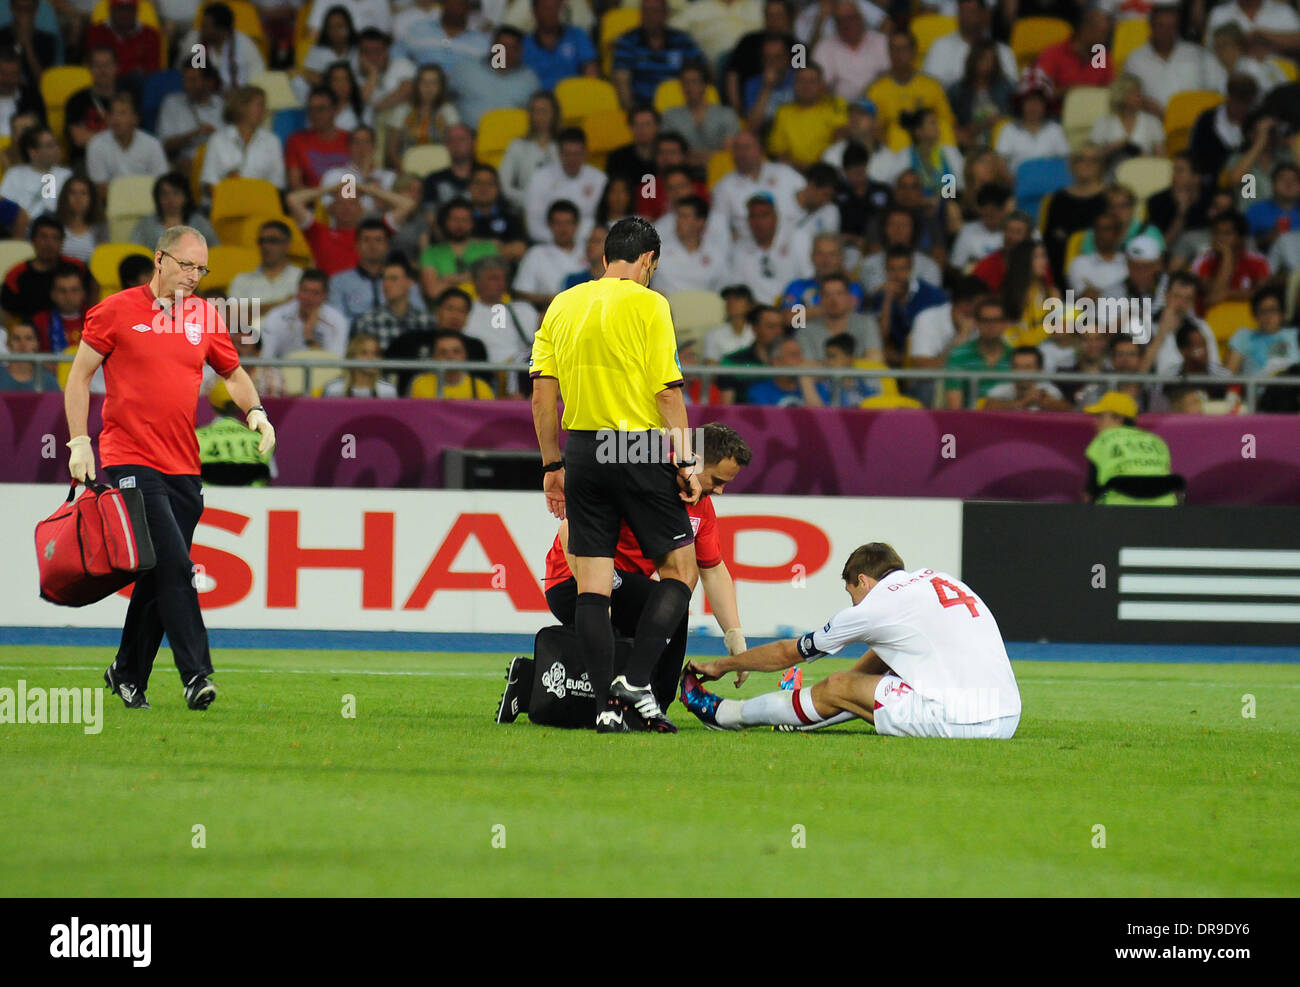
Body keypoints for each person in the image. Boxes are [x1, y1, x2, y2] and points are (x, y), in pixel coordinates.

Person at [64, 225, 276, 711]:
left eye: (201, 269)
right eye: (186, 265)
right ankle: (196, 674)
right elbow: (79, 376)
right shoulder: (115, 310)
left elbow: (233, 372)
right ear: (159, 259)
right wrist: (79, 441)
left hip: (183, 466)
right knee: (177, 566)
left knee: (159, 572)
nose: (194, 276)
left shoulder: (205, 315)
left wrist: (256, 412)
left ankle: (126, 671)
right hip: (129, 459)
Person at [529, 215, 702, 733]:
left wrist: (552, 464)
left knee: (593, 585)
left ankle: (605, 706)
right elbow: (667, 392)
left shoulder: (563, 304)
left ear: (606, 257)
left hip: (582, 450)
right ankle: (636, 681)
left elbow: (543, 395)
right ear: (648, 260)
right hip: (638, 446)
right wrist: (686, 459)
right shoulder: (651, 304)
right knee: (680, 570)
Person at [499, 421, 752, 726]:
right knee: (669, 605)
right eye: (717, 479)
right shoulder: (644, 475)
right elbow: (570, 530)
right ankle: (650, 700)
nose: (721, 490)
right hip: (572, 580)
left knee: (660, 613)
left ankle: (528, 680)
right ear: (693, 461)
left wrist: (735, 637)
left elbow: (713, 569)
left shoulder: (701, 505)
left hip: (626, 588)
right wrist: (596, 595)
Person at [680, 542, 1022, 739]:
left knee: (839, 686)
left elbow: (787, 652)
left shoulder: (873, 606)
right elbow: (886, 653)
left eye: (851, 593)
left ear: (863, 581)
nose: (853, 603)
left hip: (968, 719)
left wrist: (722, 664)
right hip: (1006, 711)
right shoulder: (936, 580)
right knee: (858, 685)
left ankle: (726, 714)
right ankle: (799, 710)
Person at [1082, 391, 1181, 505]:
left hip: (1117, 513)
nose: (1095, 422)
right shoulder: (1157, 440)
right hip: (1165, 512)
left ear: (1118, 419)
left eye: (1100, 417)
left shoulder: (1103, 440)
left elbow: (1090, 493)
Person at [199, 86, 285, 195]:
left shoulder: (272, 141)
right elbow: (209, 180)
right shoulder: (218, 139)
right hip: (224, 204)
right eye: (260, 105)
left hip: (260, 205)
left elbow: (277, 183)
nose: (264, 110)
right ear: (242, 107)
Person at [85, 92, 168, 201]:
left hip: (148, 204)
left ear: (135, 118)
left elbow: (161, 183)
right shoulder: (96, 145)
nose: (116, 119)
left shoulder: (153, 145)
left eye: (122, 113)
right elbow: (100, 188)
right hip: (110, 206)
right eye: (112, 114)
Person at [258, 269, 350, 357]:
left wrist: (309, 337)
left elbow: (334, 364)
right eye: (305, 291)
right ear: (297, 291)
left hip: (320, 372)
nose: (308, 298)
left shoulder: (337, 321)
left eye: (315, 293)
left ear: (325, 296)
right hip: (280, 371)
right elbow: (266, 357)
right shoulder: (277, 317)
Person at [197, 379, 272, 486]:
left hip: (209, 500)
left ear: (213, 405)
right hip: (253, 500)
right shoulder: (260, 437)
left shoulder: (196, 437)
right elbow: (269, 477)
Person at [156, 65, 224, 176]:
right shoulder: (171, 103)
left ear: (208, 82)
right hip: (185, 163)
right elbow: (164, 146)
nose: (186, 85)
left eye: (193, 80)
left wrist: (215, 134)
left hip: (217, 161)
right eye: (185, 80)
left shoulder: (222, 105)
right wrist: (193, 134)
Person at [130, 172, 219, 252]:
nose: (170, 199)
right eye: (164, 194)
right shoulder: (146, 224)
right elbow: (135, 253)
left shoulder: (199, 223)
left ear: (186, 197)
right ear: (158, 198)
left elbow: (215, 251)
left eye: (175, 193)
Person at [1227, 285, 1300, 375]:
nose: (1268, 316)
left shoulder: (1295, 335)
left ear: (1283, 314)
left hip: (1292, 387)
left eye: (1273, 310)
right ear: (1255, 315)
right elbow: (1229, 375)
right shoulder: (1243, 336)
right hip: (1254, 387)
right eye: (1263, 311)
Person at [228, 220, 302, 307]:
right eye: (262, 241)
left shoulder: (301, 277)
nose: (265, 246)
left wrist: (253, 309)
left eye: (273, 241)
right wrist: (284, 304)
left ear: (287, 245)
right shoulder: (241, 281)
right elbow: (234, 317)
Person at [409, 330, 495, 399]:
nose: (450, 356)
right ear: (434, 357)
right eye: (443, 352)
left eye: (456, 351)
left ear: (465, 355)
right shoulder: (419, 385)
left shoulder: (481, 388)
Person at [320, 331, 398, 397]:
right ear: (351, 356)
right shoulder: (334, 390)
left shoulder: (387, 391)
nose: (372, 358)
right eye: (364, 353)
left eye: (376, 353)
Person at [0, 322, 59, 391]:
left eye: (28, 338)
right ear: (8, 344)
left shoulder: (48, 380)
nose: (22, 344)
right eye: (16, 338)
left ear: (37, 344)